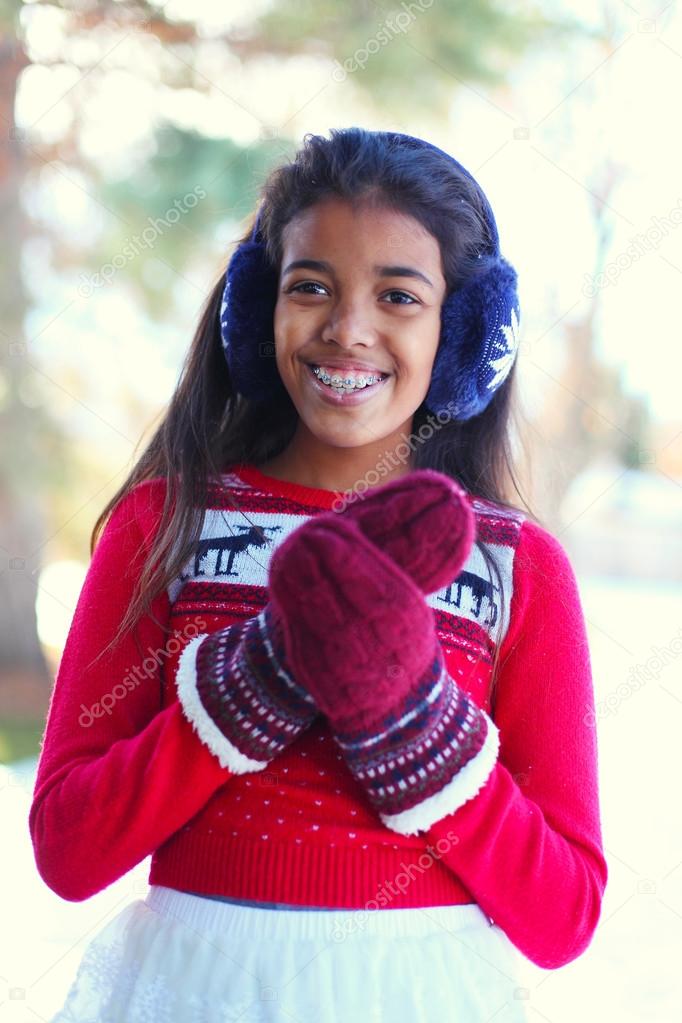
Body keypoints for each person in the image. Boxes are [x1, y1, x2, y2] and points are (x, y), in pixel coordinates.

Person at [29, 127, 608, 1022]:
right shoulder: (165, 526)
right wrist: (257, 676)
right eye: (311, 287)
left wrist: (417, 723)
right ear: (257, 309)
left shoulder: (516, 568)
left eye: (399, 296)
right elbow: (69, 847)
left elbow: (563, 913)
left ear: (462, 333)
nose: (347, 328)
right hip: (194, 994)